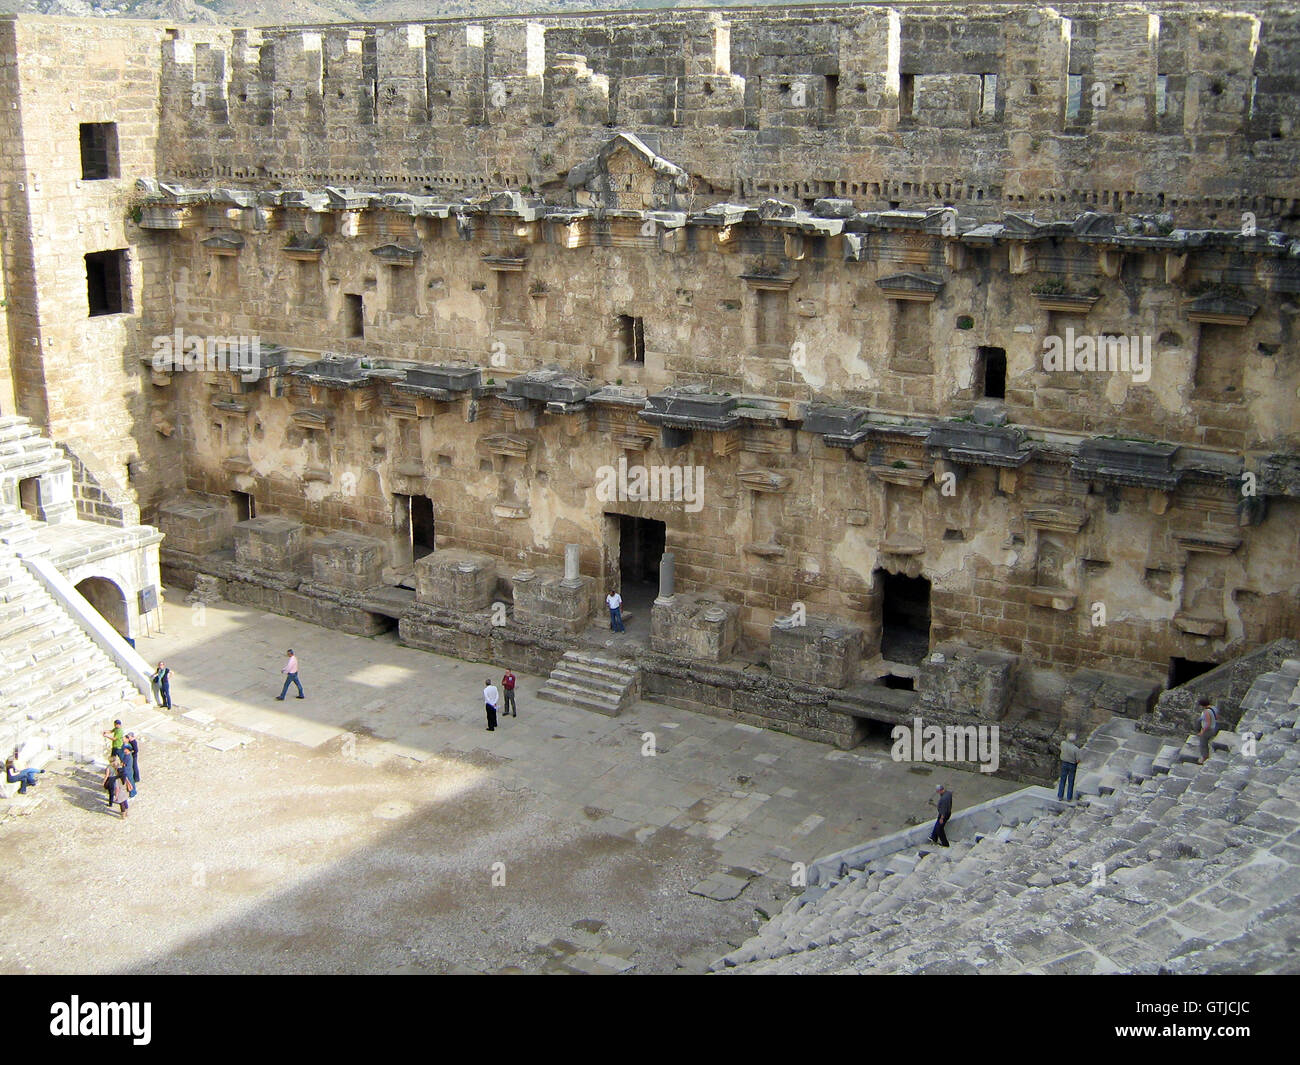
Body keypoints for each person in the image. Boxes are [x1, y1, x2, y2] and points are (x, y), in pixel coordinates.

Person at [1057, 731, 1082, 802]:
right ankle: (1069, 798)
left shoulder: (1063, 744)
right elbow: (1078, 760)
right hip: (1072, 765)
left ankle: (1060, 796)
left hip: (1064, 763)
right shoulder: (1076, 749)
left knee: (1062, 780)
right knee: (1071, 781)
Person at [1196, 696, 1220, 765]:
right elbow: (1217, 717)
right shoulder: (1214, 708)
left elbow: (1208, 723)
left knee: (1203, 744)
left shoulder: (1206, 711)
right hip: (1214, 727)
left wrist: (1202, 732)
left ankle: (1204, 758)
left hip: (1208, 730)